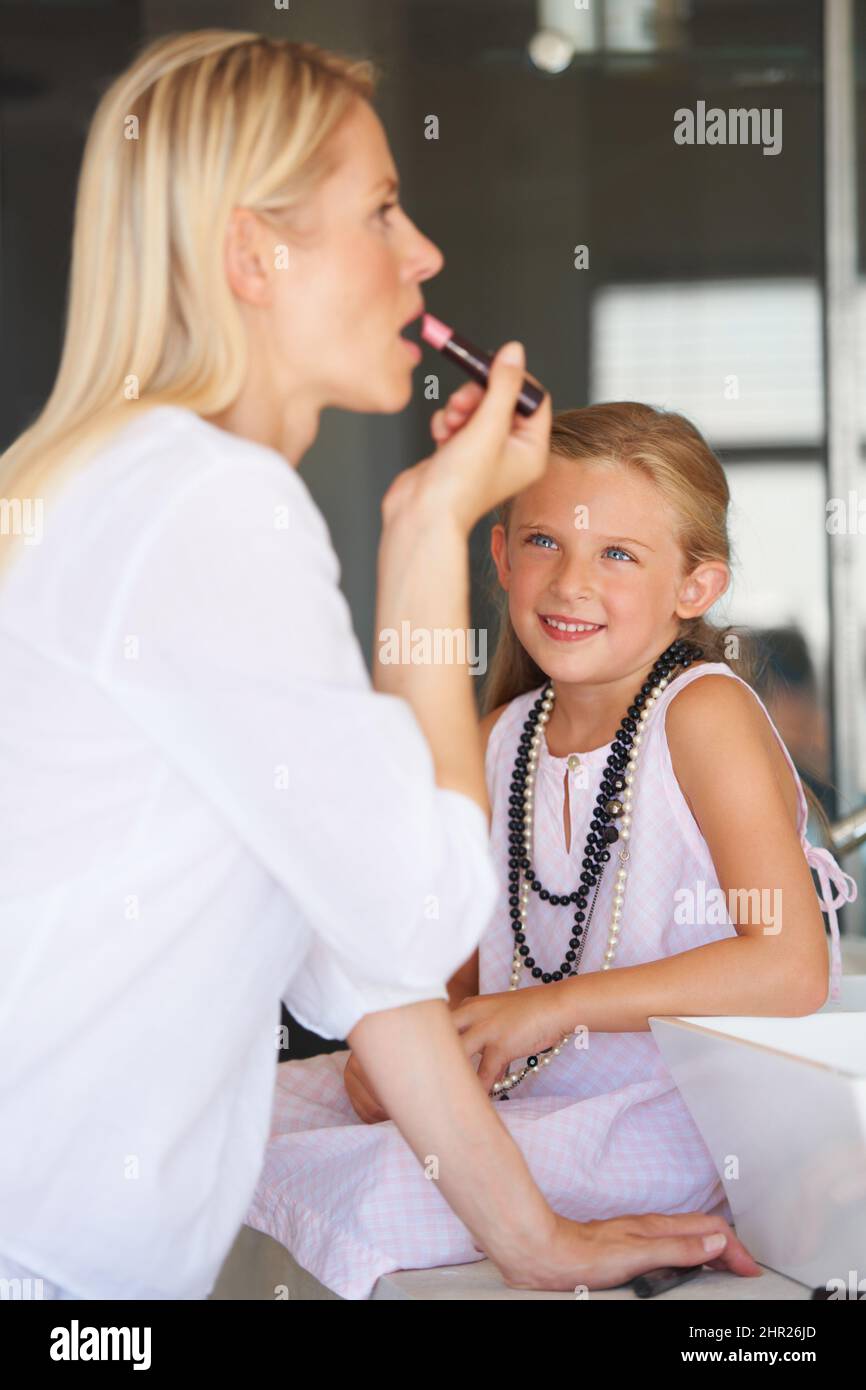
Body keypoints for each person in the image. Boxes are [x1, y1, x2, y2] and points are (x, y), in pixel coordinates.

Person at [0, 31, 758, 1299]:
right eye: (381, 211)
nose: (423, 256)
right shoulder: (207, 507)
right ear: (255, 253)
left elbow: (364, 954)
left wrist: (530, 1238)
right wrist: (425, 538)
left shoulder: (116, 486)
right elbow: (419, 911)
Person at [246, 401, 855, 1297]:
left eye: (618, 554)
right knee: (232, 1121)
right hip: (519, 1097)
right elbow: (450, 974)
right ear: (500, 556)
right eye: (543, 544)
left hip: (671, 1118)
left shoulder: (704, 715)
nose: (571, 582)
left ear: (695, 587)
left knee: (376, 1182)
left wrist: (550, 1009)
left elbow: (793, 968)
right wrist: (403, 1062)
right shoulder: (500, 739)